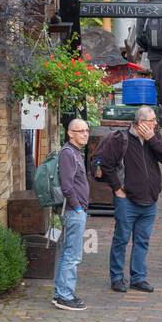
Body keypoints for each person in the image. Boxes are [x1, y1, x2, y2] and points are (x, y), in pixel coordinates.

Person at [96, 106, 162, 293]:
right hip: (127, 200)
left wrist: (152, 139)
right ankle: (116, 278)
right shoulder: (119, 139)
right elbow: (105, 164)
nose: (156, 124)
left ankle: (138, 278)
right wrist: (117, 189)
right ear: (140, 123)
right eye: (152, 121)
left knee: (142, 240)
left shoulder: (154, 137)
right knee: (121, 239)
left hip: (150, 200)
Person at [53, 118, 90, 311]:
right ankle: (65, 296)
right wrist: (77, 208)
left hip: (76, 211)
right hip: (73, 212)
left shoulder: (75, 152)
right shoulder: (68, 153)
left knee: (67, 252)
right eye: (80, 131)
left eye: (86, 130)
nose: (85, 134)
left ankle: (61, 293)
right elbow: (67, 186)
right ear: (70, 133)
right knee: (72, 255)